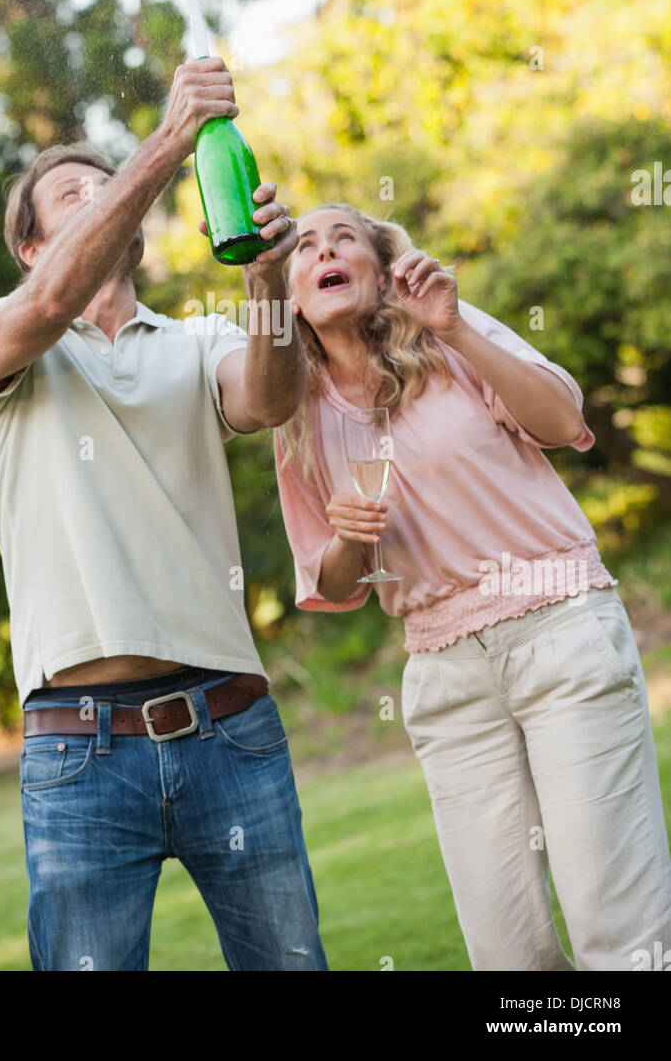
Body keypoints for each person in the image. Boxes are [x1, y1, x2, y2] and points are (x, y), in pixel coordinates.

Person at [0, 58, 328, 971]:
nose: (100, 197)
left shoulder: (198, 343)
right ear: (33, 248)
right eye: (72, 195)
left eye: (107, 189)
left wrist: (269, 281)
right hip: (78, 754)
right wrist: (165, 144)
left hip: (231, 728)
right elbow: (45, 309)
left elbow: (271, 399)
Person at [272, 200, 671, 971]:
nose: (325, 250)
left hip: (561, 629)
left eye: (344, 237)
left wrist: (453, 325)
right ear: (291, 294)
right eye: (305, 247)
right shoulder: (295, 417)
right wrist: (351, 538)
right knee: (506, 952)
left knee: (615, 930)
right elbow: (331, 581)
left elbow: (561, 420)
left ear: (381, 268)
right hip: (445, 671)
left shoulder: (445, 332)